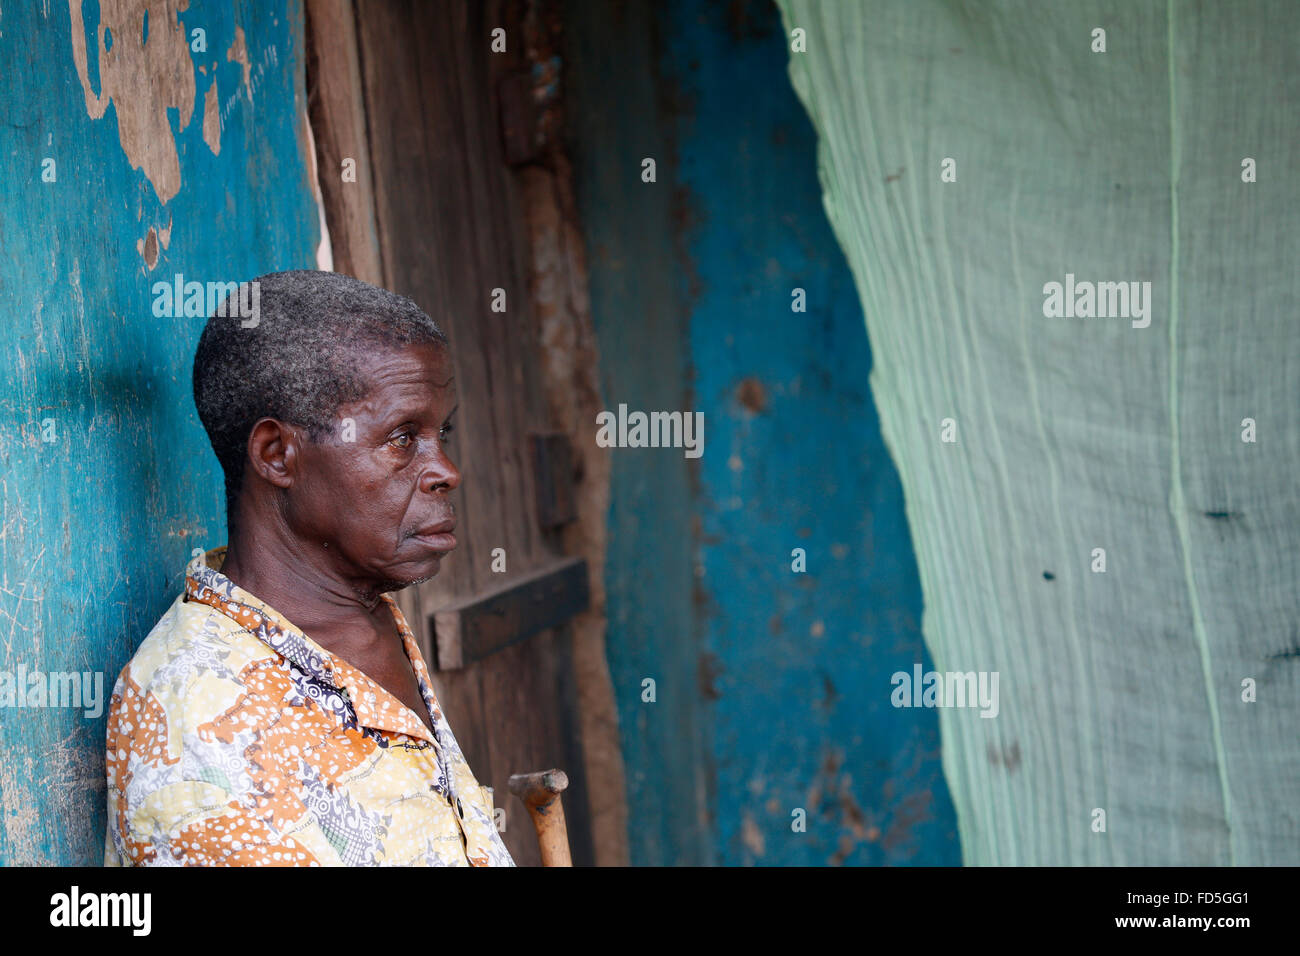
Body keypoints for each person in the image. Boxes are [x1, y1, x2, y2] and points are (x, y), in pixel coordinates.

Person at [104, 270, 514, 866]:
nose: (445, 470)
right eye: (402, 438)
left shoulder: (360, 620)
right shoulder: (197, 722)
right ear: (278, 455)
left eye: (439, 431)